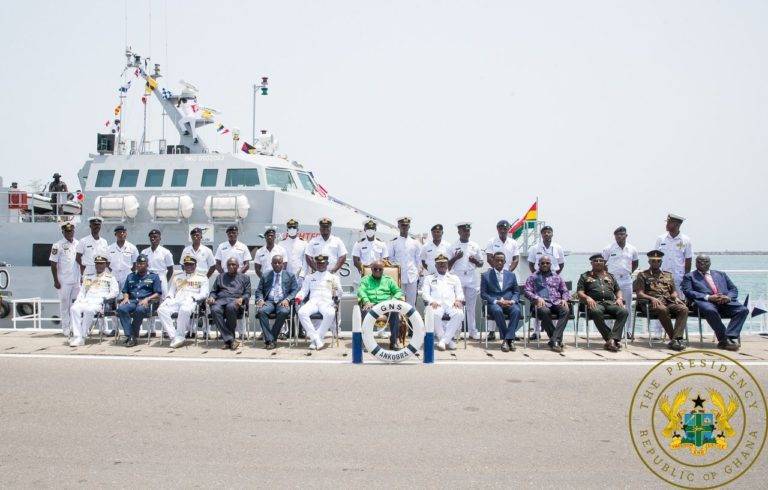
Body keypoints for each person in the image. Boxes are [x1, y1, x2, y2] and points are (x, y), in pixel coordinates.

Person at [682, 255, 749, 351]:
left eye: (705, 262)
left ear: (710, 263)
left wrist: (728, 297)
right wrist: (709, 297)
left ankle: (729, 337)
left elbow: (733, 289)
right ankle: (724, 339)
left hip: (724, 302)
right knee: (710, 310)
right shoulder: (689, 276)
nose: (702, 264)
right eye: (699, 262)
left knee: (743, 310)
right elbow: (688, 291)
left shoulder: (721, 274)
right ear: (696, 263)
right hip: (705, 302)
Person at [633, 250, 688, 351]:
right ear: (649, 262)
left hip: (668, 302)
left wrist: (675, 297)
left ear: (661, 262)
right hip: (651, 304)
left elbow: (673, 291)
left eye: (658, 261)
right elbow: (639, 293)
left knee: (683, 309)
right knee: (662, 309)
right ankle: (674, 339)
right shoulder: (642, 275)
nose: (655, 263)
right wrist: (651, 298)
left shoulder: (668, 275)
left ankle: (676, 339)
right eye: (653, 261)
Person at [576, 254, 628, 352]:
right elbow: (580, 292)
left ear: (604, 263)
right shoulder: (585, 276)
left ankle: (611, 340)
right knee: (596, 312)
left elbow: (618, 290)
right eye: (596, 261)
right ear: (591, 263)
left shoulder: (610, 276)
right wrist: (587, 298)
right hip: (594, 303)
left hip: (610, 303)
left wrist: (619, 298)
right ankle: (611, 339)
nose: (599, 262)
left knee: (624, 311)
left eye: (601, 261)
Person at [652, 214, 693, 338]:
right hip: (662, 278)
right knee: (660, 304)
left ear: (676, 224)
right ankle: (658, 333)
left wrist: (686, 277)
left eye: (669, 223)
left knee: (679, 306)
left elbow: (688, 259)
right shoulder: (661, 239)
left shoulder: (685, 240)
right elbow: (655, 257)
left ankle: (678, 334)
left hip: (678, 277)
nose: (666, 225)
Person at [157, 256, 210, 349]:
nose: (188, 266)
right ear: (184, 266)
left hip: (191, 300)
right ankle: (175, 336)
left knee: (184, 309)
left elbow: (204, 293)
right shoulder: (178, 277)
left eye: (191, 264)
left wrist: (194, 298)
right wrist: (168, 298)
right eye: (186, 264)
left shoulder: (202, 277)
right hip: (177, 300)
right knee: (161, 310)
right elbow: (171, 291)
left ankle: (180, 336)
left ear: (195, 265)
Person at [68, 256, 120, 347]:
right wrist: (78, 300)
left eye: (101, 263)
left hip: (99, 302)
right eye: (97, 264)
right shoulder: (88, 277)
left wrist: (105, 298)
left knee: (89, 310)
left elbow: (115, 292)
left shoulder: (110, 278)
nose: (99, 266)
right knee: (74, 308)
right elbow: (83, 291)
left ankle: (82, 337)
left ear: (105, 265)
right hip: (87, 300)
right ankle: (77, 336)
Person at [524, 256, 570, 352]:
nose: (545, 264)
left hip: (556, 302)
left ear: (550, 264)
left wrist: (564, 299)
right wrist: (537, 298)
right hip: (541, 303)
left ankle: (554, 340)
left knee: (565, 310)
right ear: (538, 264)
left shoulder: (557, 277)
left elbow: (565, 291)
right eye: (543, 263)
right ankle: (556, 340)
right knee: (544, 311)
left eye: (547, 263)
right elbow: (527, 291)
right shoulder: (533, 277)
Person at [295, 254, 342, 350]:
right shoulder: (309, 277)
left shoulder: (334, 277)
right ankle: (317, 339)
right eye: (318, 264)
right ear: (316, 264)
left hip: (326, 302)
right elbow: (304, 291)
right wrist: (299, 297)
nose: (320, 265)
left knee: (330, 313)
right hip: (313, 302)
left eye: (323, 263)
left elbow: (339, 293)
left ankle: (316, 339)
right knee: (301, 312)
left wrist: (336, 291)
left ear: (327, 264)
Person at [357, 259, 405, 350]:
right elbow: (361, 291)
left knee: (395, 312)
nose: (378, 271)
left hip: (386, 305)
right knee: (366, 312)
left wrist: (393, 300)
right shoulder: (365, 280)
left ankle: (394, 342)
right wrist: (366, 301)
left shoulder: (388, 280)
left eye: (380, 269)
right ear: (371, 269)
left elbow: (398, 292)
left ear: (383, 270)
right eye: (375, 269)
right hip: (371, 305)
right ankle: (368, 342)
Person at [117, 255, 162, 347]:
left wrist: (148, 298)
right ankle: (131, 335)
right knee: (121, 308)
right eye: (138, 263)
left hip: (147, 302)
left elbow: (158, 293)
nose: (140, 265)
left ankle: (132, 336)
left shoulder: (154, 277)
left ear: (147, 265)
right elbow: (125, 291)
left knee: (139, 310)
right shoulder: (131, 276)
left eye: (142, 263)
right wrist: (125, 298)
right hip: (132, 301)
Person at [601, 226, 638, 339]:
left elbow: (635, 263)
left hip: (626, 280)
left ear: (626, 235)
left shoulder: (632, 249)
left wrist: (628, 273)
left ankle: (628, 331)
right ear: (615, 236)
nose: (620, 236)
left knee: (627, 306)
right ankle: (610, 331)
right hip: (612, 280)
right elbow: (602, 264)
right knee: (611, 305)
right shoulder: (609, 248)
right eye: (618, 235)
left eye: (622, 234)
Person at [422, 254, 464, 351]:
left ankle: (443, 341)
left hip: (451, 304)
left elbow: (460, 292)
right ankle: (447, 341)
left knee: (459, 313)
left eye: (444, 263)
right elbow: (425, 294)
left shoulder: (454, 278)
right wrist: (432, 301)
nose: (442, 265)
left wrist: (458, 300)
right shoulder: (429, 278)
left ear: (447, 265)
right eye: (439, 264)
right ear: (435, 266)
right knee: (433, 314)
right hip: (436, 304)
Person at [207, 258, 252, 350]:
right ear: (226, 266)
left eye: (234, 264)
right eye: (229, 265)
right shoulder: (220, 277)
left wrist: (242, 298)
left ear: (238, 266)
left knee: (230, 307)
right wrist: (211, 297)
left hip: (236, 302)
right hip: (221, 301)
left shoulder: (245, 277)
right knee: (214, 309)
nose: (231, 266)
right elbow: (214, 291)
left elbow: (248, 293)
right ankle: (231, 340)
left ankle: (227, 341)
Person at [481, 252, 522, 352]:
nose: (499, 262)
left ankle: (507, 339)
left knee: (516, 310)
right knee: (497, 311)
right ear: (493, 261)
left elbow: (516, 292)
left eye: (501, 260)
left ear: (504, 262)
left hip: (509, 303)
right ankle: (508, 340)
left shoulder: (511, 275)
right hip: (494, 304)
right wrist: (496, 301)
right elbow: (483, 294)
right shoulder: (486, 275)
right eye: (497, 260)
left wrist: (512, 301)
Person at [255, 255, 299, 349]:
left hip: (282, 301)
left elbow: (295, 290)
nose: (277, 264)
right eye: (275, 263)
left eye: (279, 263)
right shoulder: (266, 275)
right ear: (271, 264)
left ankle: (270, 339)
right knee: (261, 311)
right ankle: (271, 340)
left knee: (284, 311)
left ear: (283, 264)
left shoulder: (290, 275)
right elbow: (259, 290)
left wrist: (287, 299)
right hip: (269, 301)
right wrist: (260, 299)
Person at [449, 222, 484, 340]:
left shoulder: (475, 245)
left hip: (471, 277)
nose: (466, 233)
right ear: (459, 232)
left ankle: (472, 331)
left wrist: (475, 261)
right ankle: (457, 330)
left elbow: (481, 263)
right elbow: (447, 265)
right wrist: (455, 258)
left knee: (471, 307)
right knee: (458, 306)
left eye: (468, 231)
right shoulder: (453, 246)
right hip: (458, 277)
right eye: (464, 231)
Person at [49, 223, 80, 337]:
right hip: (64, 281)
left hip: (76, 280)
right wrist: (56, 281)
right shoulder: (58, 245)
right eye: (67, 232)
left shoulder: (78, 243)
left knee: (76, 306)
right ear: (63, 232)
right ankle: (66, 329)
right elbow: (53, 264)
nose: (69, 233)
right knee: (65, 305)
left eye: (71, 231)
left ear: (74, 231)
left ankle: (74, 327)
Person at [390, 216, 422, 307]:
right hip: (398, 276)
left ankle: (410, 321)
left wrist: (418, 272)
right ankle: (399, 321)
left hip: (412, 276)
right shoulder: (393, 242)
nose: (404, 227)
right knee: (398, 302)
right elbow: (391, 259)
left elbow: (418, 259)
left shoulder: (415, 242)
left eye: (406, 225)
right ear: (398, 226)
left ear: (409, 227)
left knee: (411, 303)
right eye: (402, 225)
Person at [141, 229, 175, 297]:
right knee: (146, 296)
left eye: (155, 237)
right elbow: (141, 267)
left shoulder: (166, 252)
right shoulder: (144, 252)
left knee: (163, 297)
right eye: (151, 237)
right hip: (148, 276)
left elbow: (170, 270)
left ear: (160, 238)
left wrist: (165, 280)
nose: (153, 239)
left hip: (161, 276)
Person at [281, 218, 308, 286]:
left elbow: (305, 261)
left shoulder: (304, 243)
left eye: (294, 227)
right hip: (285, 276)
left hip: (300, 276)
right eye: (290, 227)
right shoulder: (281, 243)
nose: (292, 229)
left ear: (297, 230)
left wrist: (302, 276)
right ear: (287, 230)